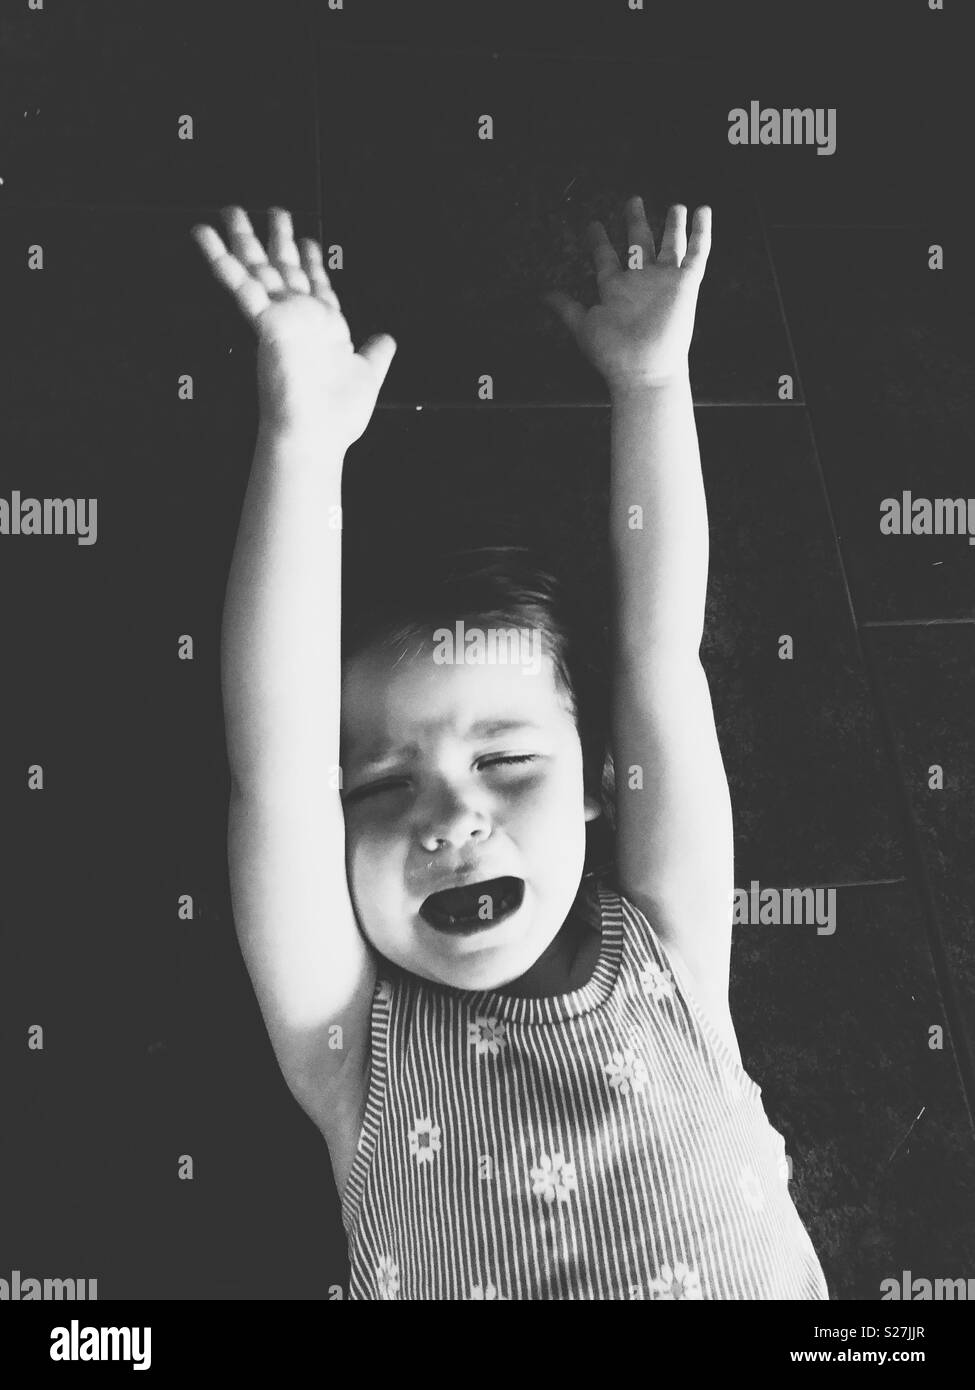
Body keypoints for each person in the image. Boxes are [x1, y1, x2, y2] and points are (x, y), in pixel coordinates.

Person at [191, 198, 829, 1300]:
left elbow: (659, 658)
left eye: (506, 759)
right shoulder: (351, 1047)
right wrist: (301, 441)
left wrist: (651, 382)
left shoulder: (674, 957)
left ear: (596, 782)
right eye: (385, 783)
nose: (449, 818)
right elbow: (280, 775)